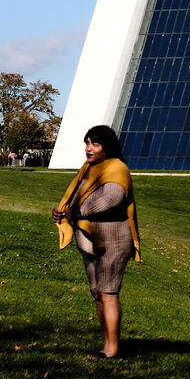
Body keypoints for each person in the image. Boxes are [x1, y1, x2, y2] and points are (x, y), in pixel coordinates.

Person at [52, 125, 140, 357]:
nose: (89, 148)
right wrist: (62, 211)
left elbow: (112, 199)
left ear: (107, 146)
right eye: (87, 143)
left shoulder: (116, 168)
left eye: (95, 144)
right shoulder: (89, 168)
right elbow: (74, 197)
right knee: (97, 292)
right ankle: (106, 344)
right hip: (89, 240)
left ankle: (112, 349)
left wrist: (78, 212)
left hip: (112, 240)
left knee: (108, 292)